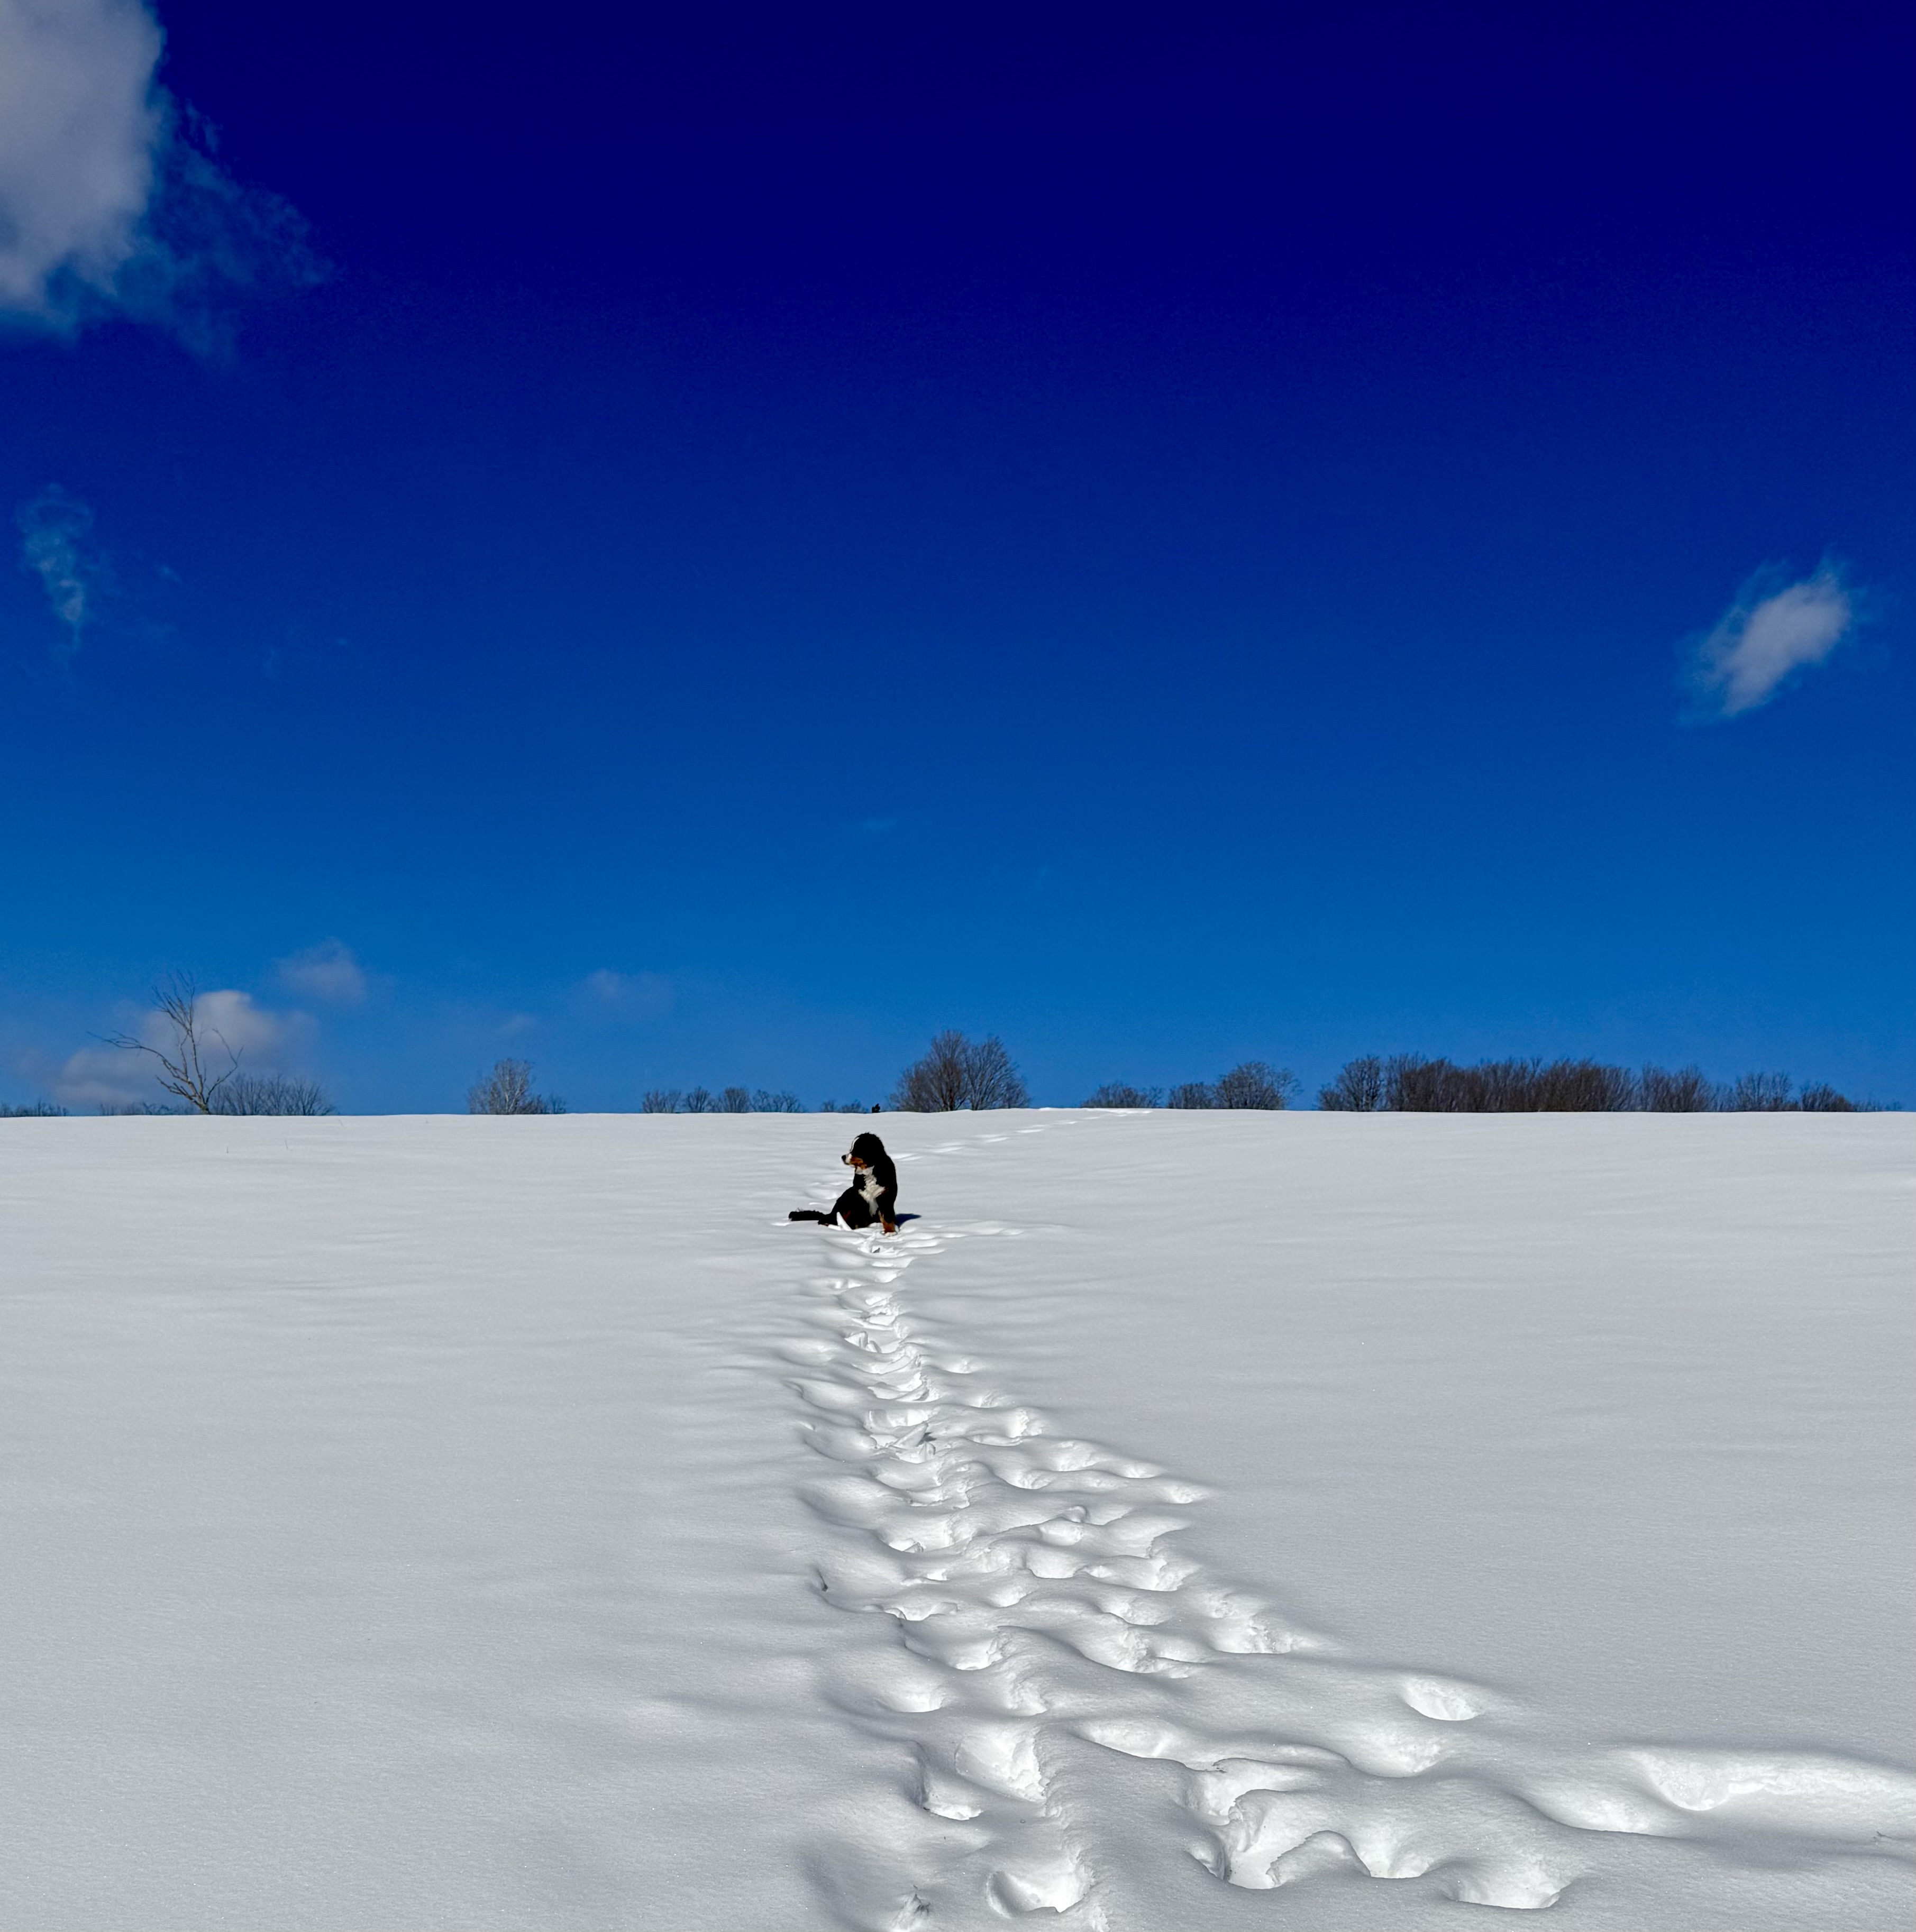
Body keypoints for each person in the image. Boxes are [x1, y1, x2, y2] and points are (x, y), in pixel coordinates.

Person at [788, 1131, 898, 1233]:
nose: (849, 1156)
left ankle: (887, 1227)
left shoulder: (886, 1170)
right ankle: (834, 1220)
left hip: (875, 1217)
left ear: (869, 1154)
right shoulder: (860, 1175)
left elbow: (888, 1204)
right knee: (849, 1197)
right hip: (858, 1216)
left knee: (885, 1204)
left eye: (855, 1152)